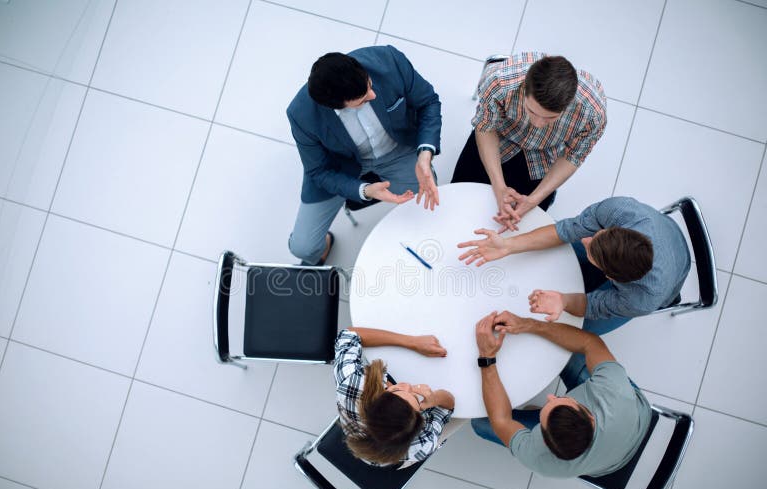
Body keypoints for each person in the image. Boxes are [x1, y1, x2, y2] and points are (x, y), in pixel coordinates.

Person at [458, 196, 691, 383]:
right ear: (615, 229)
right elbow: (568, 230)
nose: (586, 240)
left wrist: (565, 302)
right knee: (567, 244)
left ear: (609, 277)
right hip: (663, 230)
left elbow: (593, 305)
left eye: (592, 252)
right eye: (597, 236)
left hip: (672, 274)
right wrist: (508, 246)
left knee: (575, 330)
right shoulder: (620, 210)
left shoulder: (641, 299)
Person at [287, 45, 442, 265]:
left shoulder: (388, 60)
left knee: (427, 212)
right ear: (337, 106)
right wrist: (365, 190)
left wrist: (425, 154)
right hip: (341, 167)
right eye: (363, 99)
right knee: (303, 248)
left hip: (397, 149)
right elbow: (319, 171)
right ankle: (322, 249)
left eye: (369, 85)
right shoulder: (300, 114)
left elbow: (428, 102)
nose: (373, 94)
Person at [471, 311, 652, 478]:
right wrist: (528, 324)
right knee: (564, 345)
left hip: (612, 461)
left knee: (480, 423)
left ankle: (540, 415)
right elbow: (590, 343)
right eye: (560, 400)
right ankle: (540, 414)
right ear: (590, 415)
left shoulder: (539, 457)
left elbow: (501, 421)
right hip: (636, 415)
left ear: (544, 440)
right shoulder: (612, 390)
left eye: (549, 405)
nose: (550, 396)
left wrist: (486, 356)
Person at [452, 52, 606, 231]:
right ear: (524, 88)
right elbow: (486, 128)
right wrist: (499, 186)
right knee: (458, 202)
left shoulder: (594, 114)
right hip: (499, 138)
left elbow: (573, 156)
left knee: (524, 228)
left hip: (544, 155)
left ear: (570, 103)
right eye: (532, 112)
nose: (538, 124)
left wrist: (534, 200)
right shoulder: (499, 82)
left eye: (550, 118)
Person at [334, 327, 455, 468]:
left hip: (362, 436)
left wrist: (413, 342)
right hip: (393, 455)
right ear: (419, 422)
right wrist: (434, 399)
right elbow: (448, 406)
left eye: (395, 390)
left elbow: (349, 335)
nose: (408, 385)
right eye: (415, 398)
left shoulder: (350, 384)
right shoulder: (421, 446)